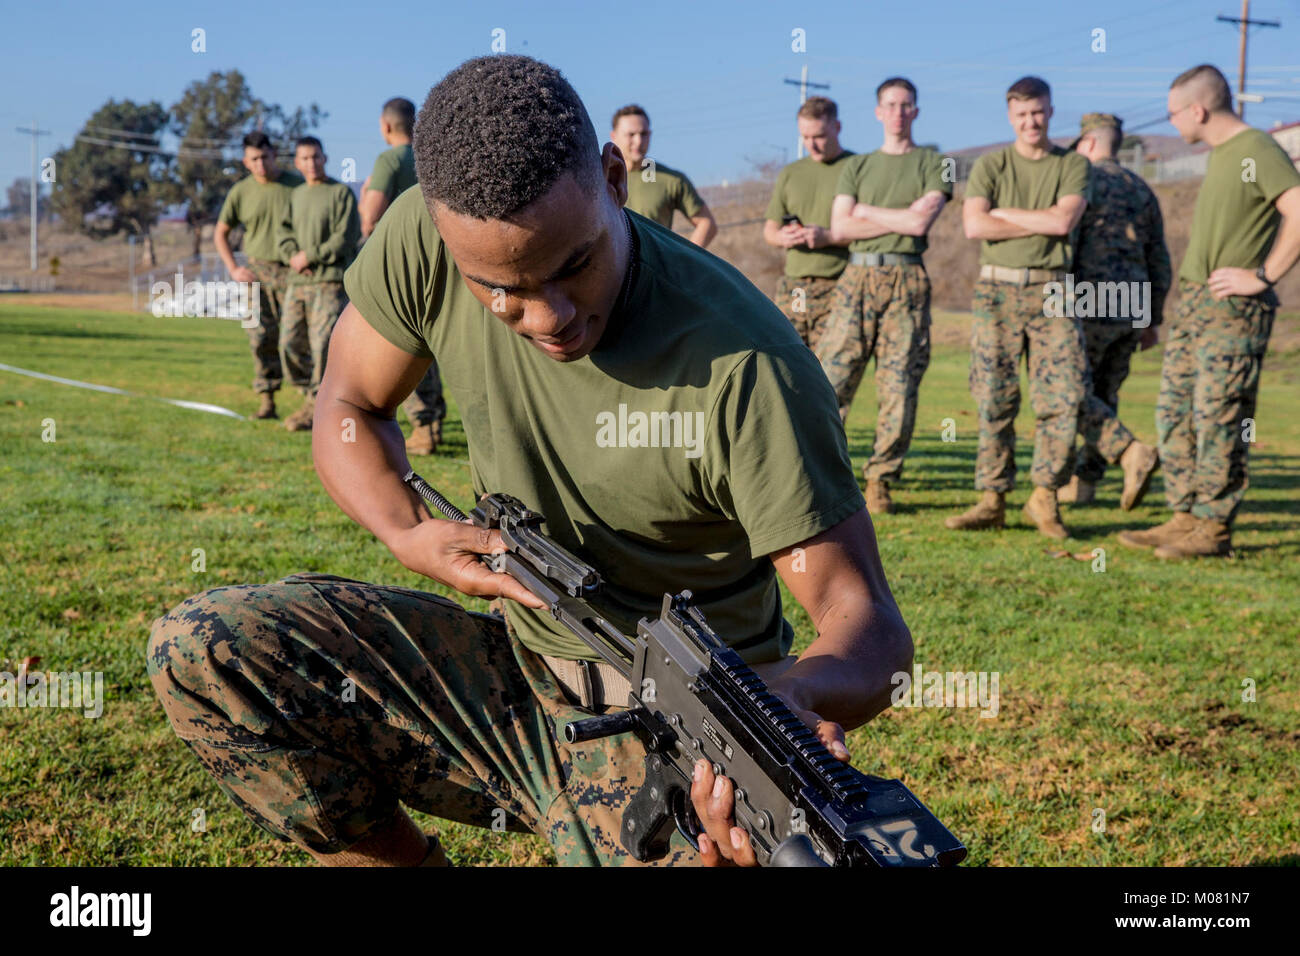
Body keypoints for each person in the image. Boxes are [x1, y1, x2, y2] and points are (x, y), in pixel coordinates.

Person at [148, 54, 912, 868]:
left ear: (614, 178)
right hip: (513, 678)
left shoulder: (746, 365)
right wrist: (408, 531)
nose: (549, 318)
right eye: (498, 289)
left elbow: (866, 628)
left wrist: (781, 704)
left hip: (686, 741)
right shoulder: (423, 235)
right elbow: (348, 408)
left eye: (575, 264)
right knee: (208, 648)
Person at [946, 76, 1157, 540]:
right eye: (1021, 114)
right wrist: (1030, 221)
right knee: (994, 397)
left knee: (1062, 399)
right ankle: (992, 499)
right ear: (1009, 116)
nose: (1031, 122)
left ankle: (1045, 499)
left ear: (1050, 110)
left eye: (1038, 112)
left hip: (1054, 291)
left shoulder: (1073, 166)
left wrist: (1004, 216)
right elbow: (973, 225)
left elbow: (1063, 220)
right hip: (996, 290)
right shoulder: (991, 164)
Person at [1119, 64, 1300, 559]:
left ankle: (1214, 527)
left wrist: (1262, 276)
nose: (1172, 123)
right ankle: (1184, 516)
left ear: (1197, 109)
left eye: (1173, 112)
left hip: (1234, 307)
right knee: (1177, 413)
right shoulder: (1224, 155)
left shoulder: (1256, 150)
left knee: (1221, 417)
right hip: (1198, 303)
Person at [815, 78, 950, 514]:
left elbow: (918, 225)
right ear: (877, 111)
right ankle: (820, 471)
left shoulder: (936, 163)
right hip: (857, 279)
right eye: (890, 104)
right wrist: (898, 215)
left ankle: (880, 480)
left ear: (916, 111)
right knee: (830, 378)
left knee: (899, 385)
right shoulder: (858, 166)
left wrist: (865, 211)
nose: (897, 112)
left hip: (907, 281)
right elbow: (840, 227)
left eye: (906, 104)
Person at [1060, 113, 1172, 508]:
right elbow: (1158, 258)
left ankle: (1129, 451)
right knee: (1107, 393)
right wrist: (1152, 319)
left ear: (1087, 143)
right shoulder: (1141, 189)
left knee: (1070, 392)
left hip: (1089, 299)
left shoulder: (1081, 182)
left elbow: (1065, 243)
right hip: (1132, 303)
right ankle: (1085, 484)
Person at [361, 96, 447, 456]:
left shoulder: (389, 160)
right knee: (430, 347)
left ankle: (423, 428)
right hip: (441, 262)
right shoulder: (434, 158)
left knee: (403, 347)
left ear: (385, 126)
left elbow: (370, 214)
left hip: (403, 266)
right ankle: (435, 423)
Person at [213, 132, 304, 419]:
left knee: (297, 339)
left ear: (274, 154)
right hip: (256, 274)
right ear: (245, 161)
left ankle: (311, 402)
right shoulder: (241, 191)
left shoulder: (298, 185)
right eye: (254, 159)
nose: (261, 164)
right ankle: (267, 400)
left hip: (293, 273)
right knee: (260, 337)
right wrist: (233, 268)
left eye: (265, 157)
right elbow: (220, 233)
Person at [274, 136, 361, 431]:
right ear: (297, 163)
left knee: (323, 344)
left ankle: (318, 406)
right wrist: (293, 257)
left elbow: (344, 238)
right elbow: (282, 233)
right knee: (288, 343)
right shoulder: (294, 196)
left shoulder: (341, 194)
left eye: (316, 157)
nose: (311, 163)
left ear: (325, 158)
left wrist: (310, 256)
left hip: (329, 282)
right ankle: (310, 395)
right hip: (298, 282)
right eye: (305, 158)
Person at [762, 96, 854, 351]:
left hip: (839, 284)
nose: (811, 145)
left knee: (829, 373)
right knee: (788, 364)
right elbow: (769, 230)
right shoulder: (791, 173)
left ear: (837, 127)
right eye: (805, 137)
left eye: (819, 136)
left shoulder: (857, 167)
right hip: (793, 287)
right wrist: (783, 237)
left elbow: (872, 230)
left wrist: (828, 237)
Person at [611, 104, 717, 247]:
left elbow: (707, 223)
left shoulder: (671, 180)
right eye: (631, 134)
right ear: (614, 137)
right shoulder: (600, 179)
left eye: (643, 134)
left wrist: (682, 260)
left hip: (653, 267)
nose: (639, 141)